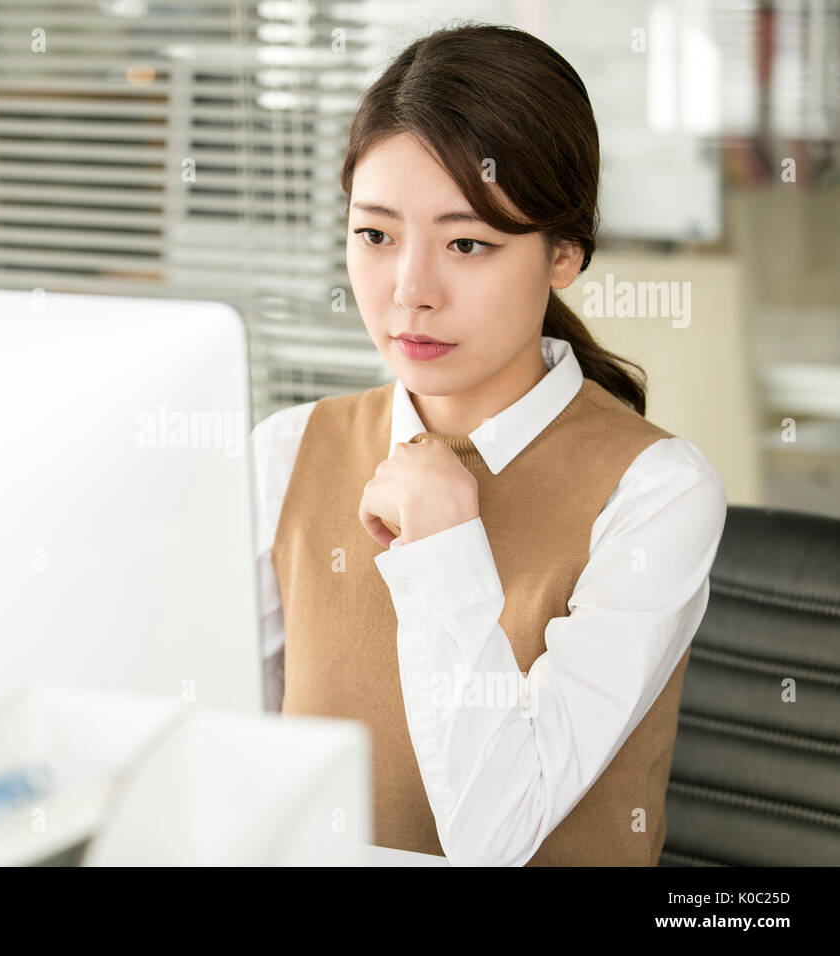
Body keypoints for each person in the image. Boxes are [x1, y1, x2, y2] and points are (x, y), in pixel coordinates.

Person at [251, 23, 727, 866]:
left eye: (467, 243)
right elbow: (233, 766)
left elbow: (495, 836)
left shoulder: (656, 494)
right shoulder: (289, 451)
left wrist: (443, 547)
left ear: (563, 254)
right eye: (375, 235)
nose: (410, 292)